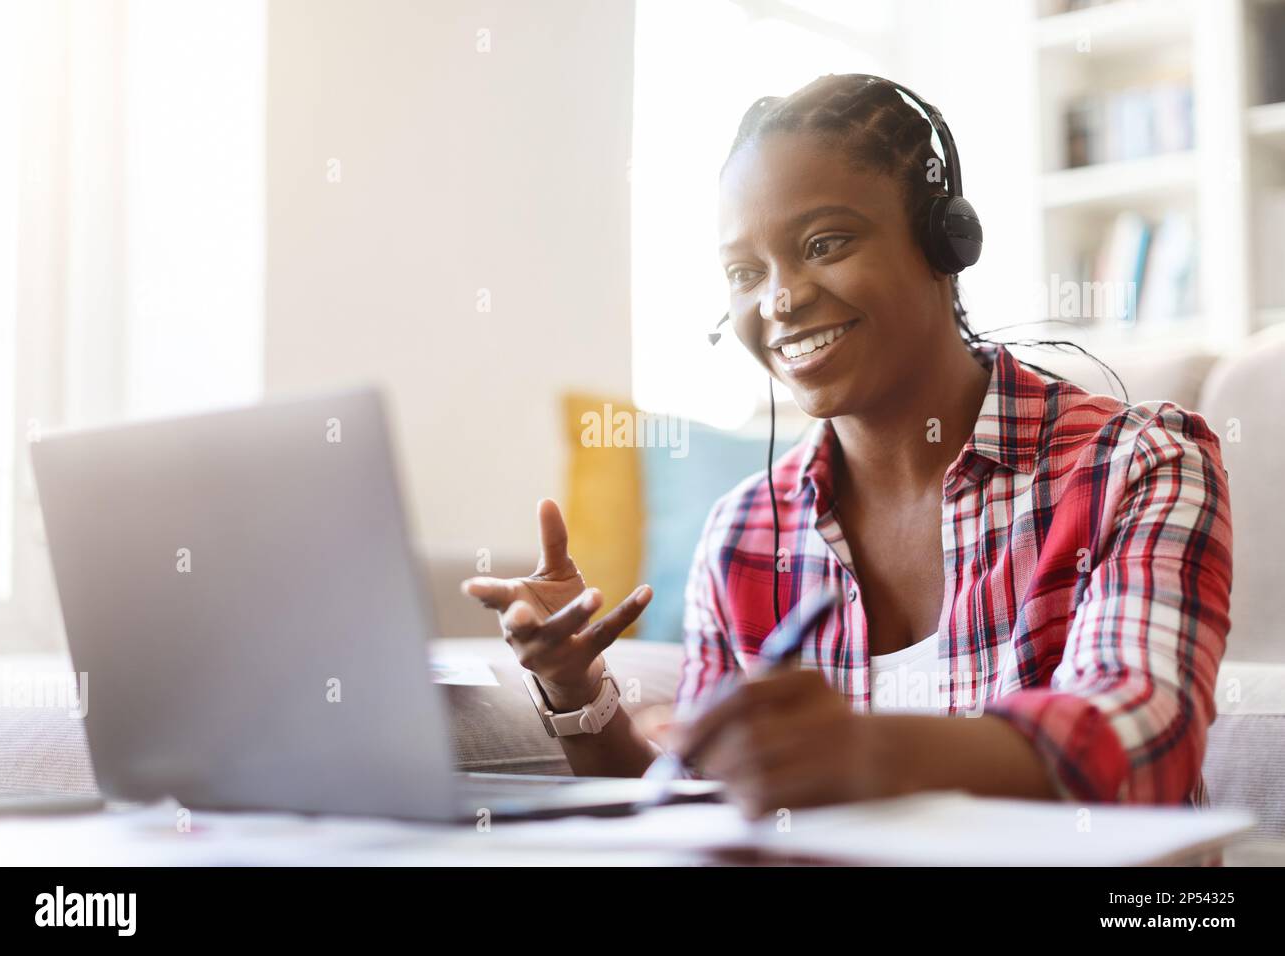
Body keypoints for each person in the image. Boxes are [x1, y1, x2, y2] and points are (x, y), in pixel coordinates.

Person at [462, 74, 1232, 819]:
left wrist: (870, 756)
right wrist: (575, 688)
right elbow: (698, 808)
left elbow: (1143, 748)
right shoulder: (744, 533)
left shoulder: (1137, 465)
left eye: (824, 242)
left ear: (944, 242)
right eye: (744, 271)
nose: (781, 298)